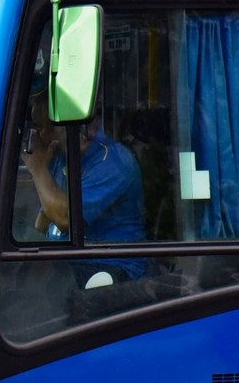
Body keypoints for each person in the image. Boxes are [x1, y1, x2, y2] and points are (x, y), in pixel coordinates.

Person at [21, 84, 146, 284]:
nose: (40, 136)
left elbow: (64, 217)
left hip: (111, 269)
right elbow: (46, 218)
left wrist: (37, 169)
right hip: (69, 261)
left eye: (42, 127)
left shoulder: (111, 161)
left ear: (65, 125)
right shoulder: (63, 157)